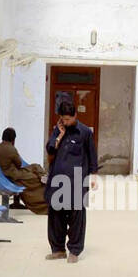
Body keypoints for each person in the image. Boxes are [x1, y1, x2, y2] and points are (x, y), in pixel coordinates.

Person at [45, 101, 98, 263]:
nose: (66, 122)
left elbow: (92, 155)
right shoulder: (58, 129)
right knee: (56, 216)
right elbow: (50, 149)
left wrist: (93, 175)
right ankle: (58, 249)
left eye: (68, 119)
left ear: (75, 116)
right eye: (63, 119)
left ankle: (74, 250)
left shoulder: (84, 132)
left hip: (77, 181)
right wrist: (59, 136)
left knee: (76, 216)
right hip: (57, 180)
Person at [0, 127, 49, 215]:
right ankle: (43, 180)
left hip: (8, 174)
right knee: (34, 178)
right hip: (14, 176)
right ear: (13, 138)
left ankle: (42, 176)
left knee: (35, 166)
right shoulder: (11, 149)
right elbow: (19, 164)